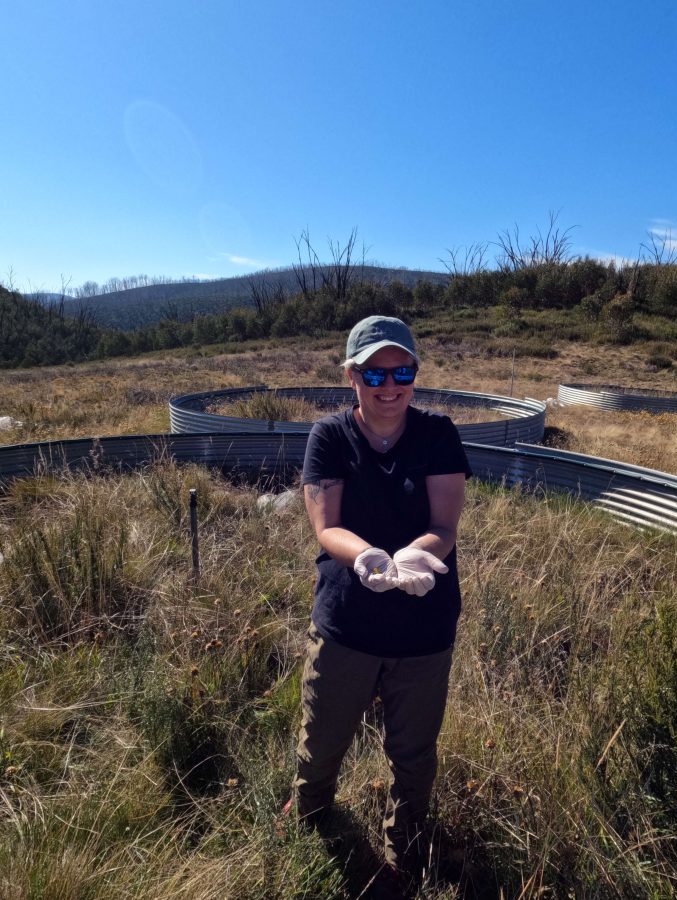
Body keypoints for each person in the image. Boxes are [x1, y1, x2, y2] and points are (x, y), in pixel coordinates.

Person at [292, 314, 471, 875]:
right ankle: (310, 815)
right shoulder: (329, 436)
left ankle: (405, 849)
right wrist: (367, 556)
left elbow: (445, 525)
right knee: (322, 738)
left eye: (402, 372)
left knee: (413, 755)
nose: (389, 386)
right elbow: (327, 526)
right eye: (374, 375)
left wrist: (416, 554)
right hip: (349, 622)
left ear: (415, 374)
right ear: (351, 377)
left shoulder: (438, 433)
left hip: (424, 628)